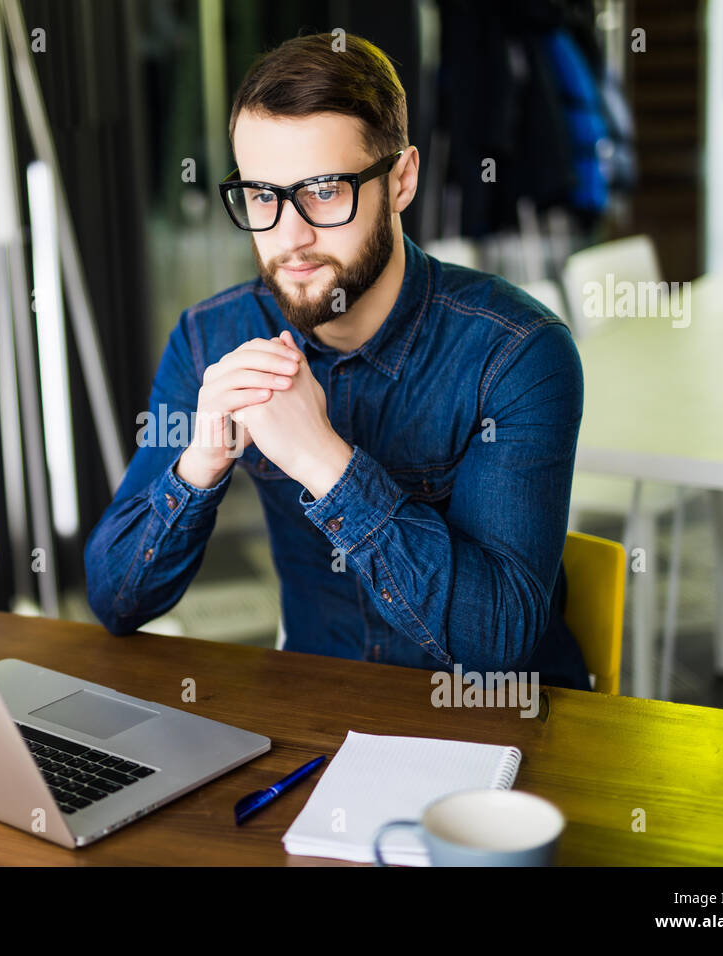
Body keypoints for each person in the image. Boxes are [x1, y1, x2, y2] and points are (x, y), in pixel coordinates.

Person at [85, 31, 591, 691]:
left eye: (324, 191)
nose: (289, 237)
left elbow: (494, 647)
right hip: (319, 710)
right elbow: (116, 602)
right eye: (262, 196)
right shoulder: (212, 338)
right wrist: (197, 466)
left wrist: (323, 460)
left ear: (402, 179)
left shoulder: (517, 352)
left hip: (502, 731)